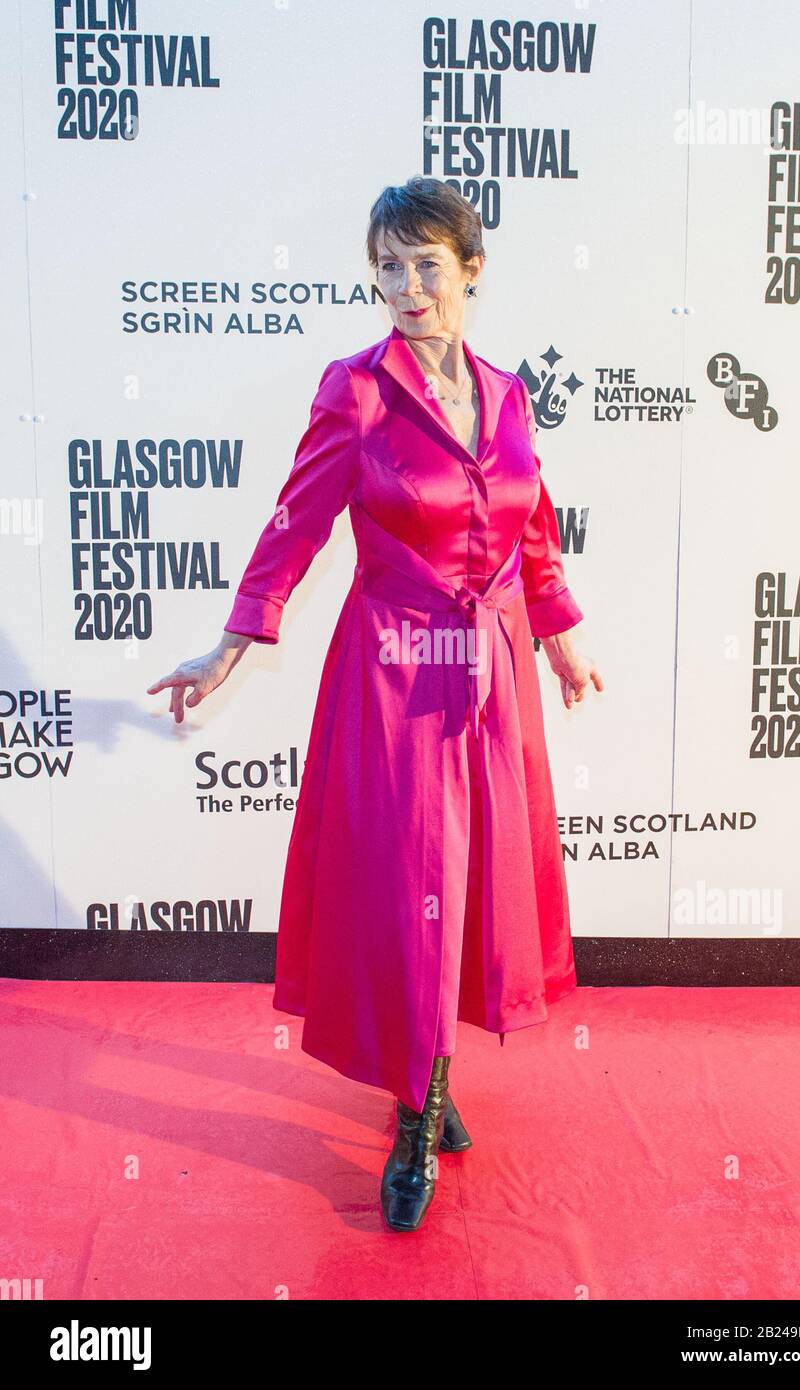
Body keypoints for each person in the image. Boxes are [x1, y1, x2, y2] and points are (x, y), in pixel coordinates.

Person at [147, 176, 603, 1233]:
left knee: (474, 883)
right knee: (412, 887)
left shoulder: (506, 393)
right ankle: (416, 1105)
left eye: (424, 265)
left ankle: (431, 1066)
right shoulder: (353, 391)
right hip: (395, 670)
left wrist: (564, 642)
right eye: (386, 267)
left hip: (489, 675)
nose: (403, 286)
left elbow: (531, 532)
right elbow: (295, 524)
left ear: (470, 270)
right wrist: (230, 643)